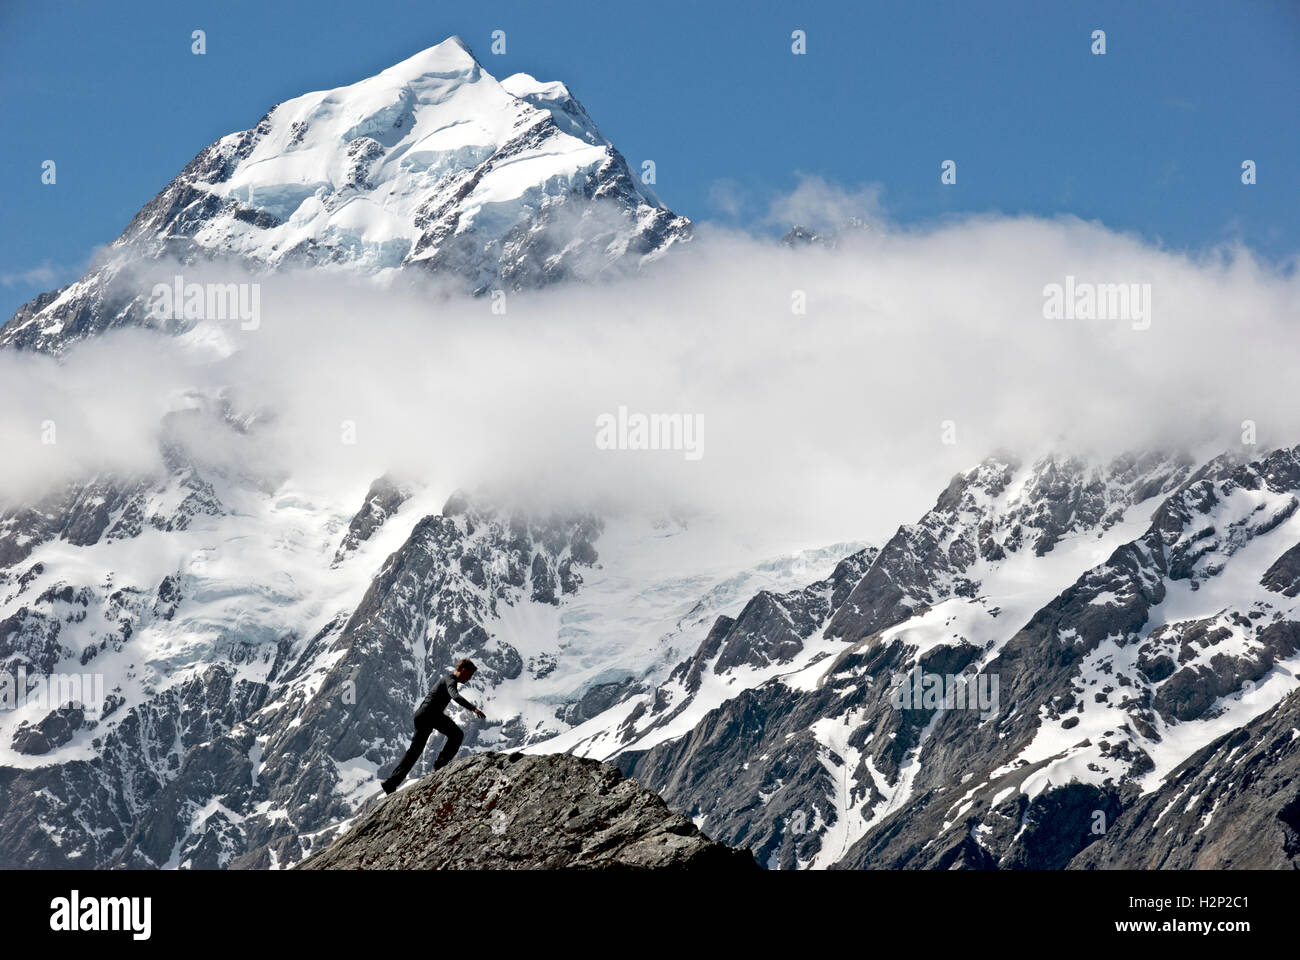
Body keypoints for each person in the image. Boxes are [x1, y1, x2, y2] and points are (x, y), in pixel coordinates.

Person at [380, 658, 485, 795]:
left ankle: (391, 783)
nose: (469, 679)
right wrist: (473, 708)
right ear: (463, 670)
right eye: (469, 675)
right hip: (431, 714)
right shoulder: (450, 680)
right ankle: (440, 764)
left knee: (414, 751)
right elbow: (455, 696)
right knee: (457, 735)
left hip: (422, 714)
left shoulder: (447, 680)